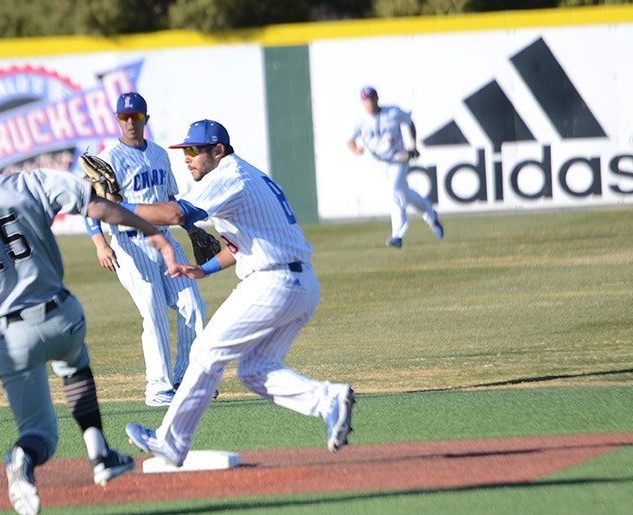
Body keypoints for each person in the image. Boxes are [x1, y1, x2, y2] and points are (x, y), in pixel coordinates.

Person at [0, 120, 180, 515]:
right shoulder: (27, 183)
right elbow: (97, 206)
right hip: (61, 316)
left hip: (10, 336)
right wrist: (153, 231)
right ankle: (100, 455)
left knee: (41, 436)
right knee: (74, 364)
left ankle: (22, 459)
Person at [123, 119, 356, 467]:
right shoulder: (248, 176)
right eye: (184, 151)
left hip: (273, 282)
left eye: (193, 151)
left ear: (217, 151)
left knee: (205, 350)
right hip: (301, 285)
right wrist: (204, 269)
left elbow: (173, 213)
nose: (187, 159)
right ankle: (328, 400)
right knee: (255, 369)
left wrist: (118, 207)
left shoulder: (229, 174)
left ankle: (170, 442)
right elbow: (241, 245)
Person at [84, 92, 208, 407]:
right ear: (117, 120)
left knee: (193, 306)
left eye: (136, 116)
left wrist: (192, 230)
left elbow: (170, 199)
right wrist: (100, 243)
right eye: (124, 117)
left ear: (145, 119)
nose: (130, 122)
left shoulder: (159, 154)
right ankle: (158, 388)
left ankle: (184, 378)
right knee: (153, 313)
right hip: (128, 243)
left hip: (163, 238)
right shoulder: (108, 156)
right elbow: (90, 206)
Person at [346, 86, 444, 249]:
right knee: (404, 193)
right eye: (366, 100)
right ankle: (431, 215)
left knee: (394, 191)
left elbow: (409, 122)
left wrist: (413, 144)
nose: (369, 102)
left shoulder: (392, 112)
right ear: (362, 102)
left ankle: (398, 234)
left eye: (371, 99)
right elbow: (349, 139)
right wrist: (356, 149)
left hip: (398, 157)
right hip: (379, 162)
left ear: (377, 98)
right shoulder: (360, 121)